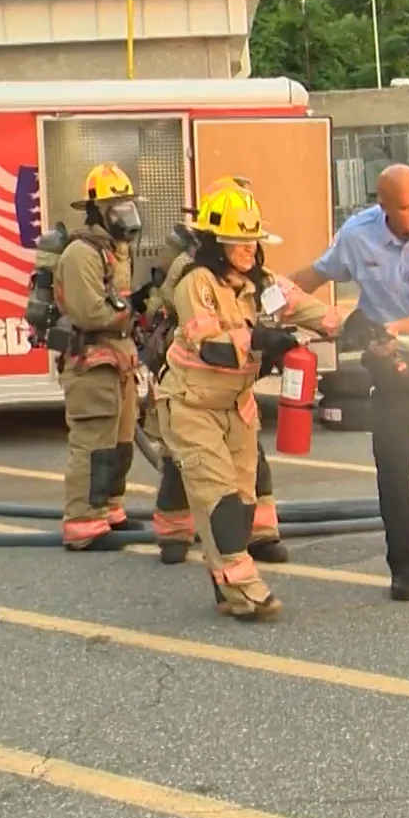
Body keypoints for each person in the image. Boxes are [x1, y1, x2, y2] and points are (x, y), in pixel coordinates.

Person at [155, 184, 357, 621]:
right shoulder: (197, 284)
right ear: (215, 243)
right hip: (192, 406)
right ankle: (246, 591)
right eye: (238, 242)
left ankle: (224, 583)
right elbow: (209, 344)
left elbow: (309, 310)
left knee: (244, 503)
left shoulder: (258, 283)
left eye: (252, 241)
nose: (249, 250)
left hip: (236, 406)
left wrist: (359, 325)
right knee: (221, 499)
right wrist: (262, 339)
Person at [288, 163, 409, 602]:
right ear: (383, 206)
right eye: (408, 208)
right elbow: (316, 276)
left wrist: (395, 329)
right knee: (394, 463)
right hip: (387, 361)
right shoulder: (358, 234)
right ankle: (402, 567)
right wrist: (271, 292)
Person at [141, 176, 292, 567]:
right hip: (189, 373)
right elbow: (179, 317)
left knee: (249, 456)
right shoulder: (189, 269)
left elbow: (272, 299)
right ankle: (174, 532)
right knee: (181, 460)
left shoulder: (245, 266)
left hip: (231, 378)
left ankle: (258, 532)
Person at [54, 162, 144, 551]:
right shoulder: (80, 254)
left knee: (120, 441)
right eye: (116, 207)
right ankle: (82, 524)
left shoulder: (115, 251)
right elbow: (90, 312)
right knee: (93, 443)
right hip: (90, 359)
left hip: (117, 358)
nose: (125, 214)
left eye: (128, 206)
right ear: (96, 211)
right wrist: (129, 310)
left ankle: (109, 509)